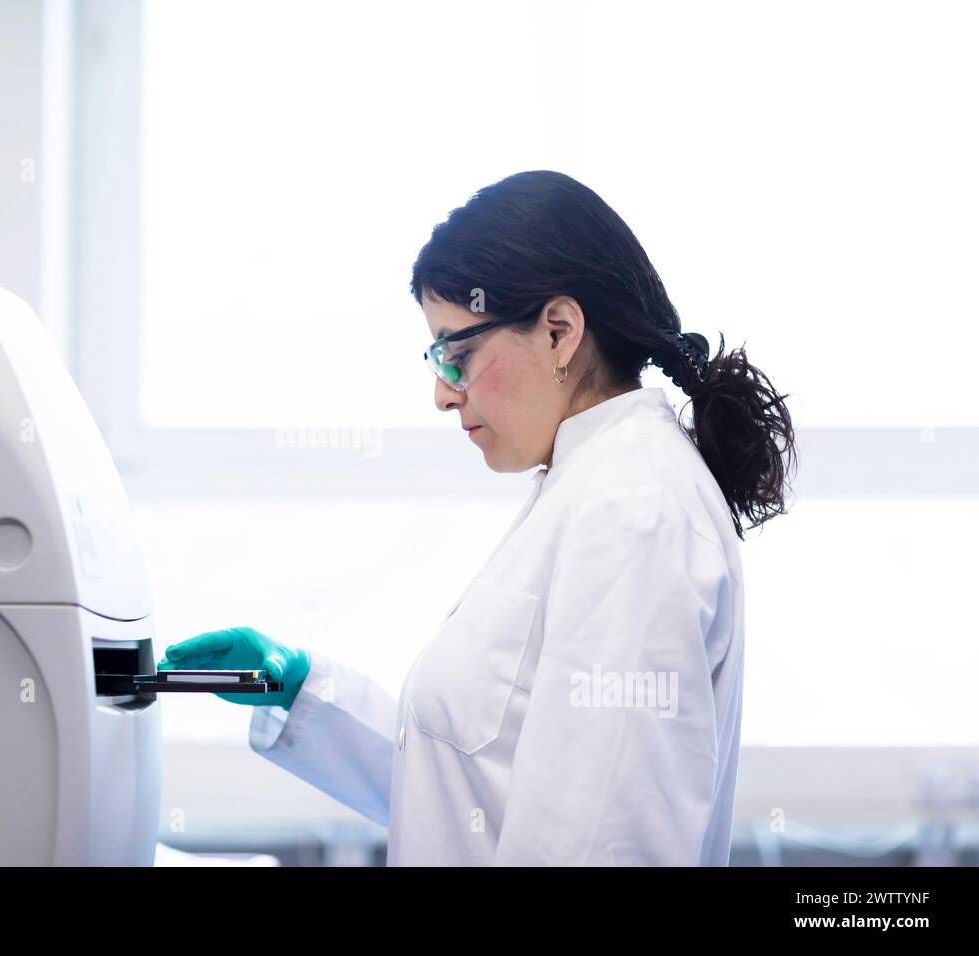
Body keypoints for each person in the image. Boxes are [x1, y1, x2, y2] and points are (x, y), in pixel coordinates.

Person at [159, 171, 796, 865]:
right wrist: (303, 688)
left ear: (558, 332)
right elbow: (476, 792)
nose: (441, 393)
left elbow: (601, 844)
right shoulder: (589, 486)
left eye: (457, 355)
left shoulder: (632, 510)